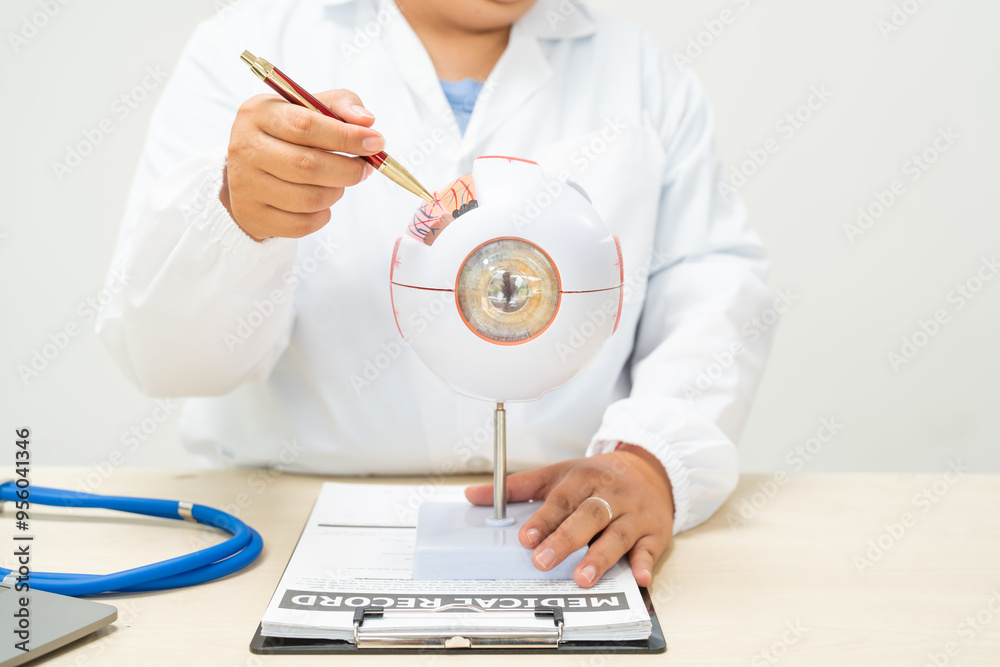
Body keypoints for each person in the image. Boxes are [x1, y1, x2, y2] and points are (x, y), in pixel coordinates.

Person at [97, 0, 775, 589]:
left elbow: (714, 286)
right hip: (283, 524)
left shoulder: (640, 70)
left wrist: (652, 458)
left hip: (569, 532)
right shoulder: (239, 44)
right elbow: (167, 362)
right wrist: (238, 214)